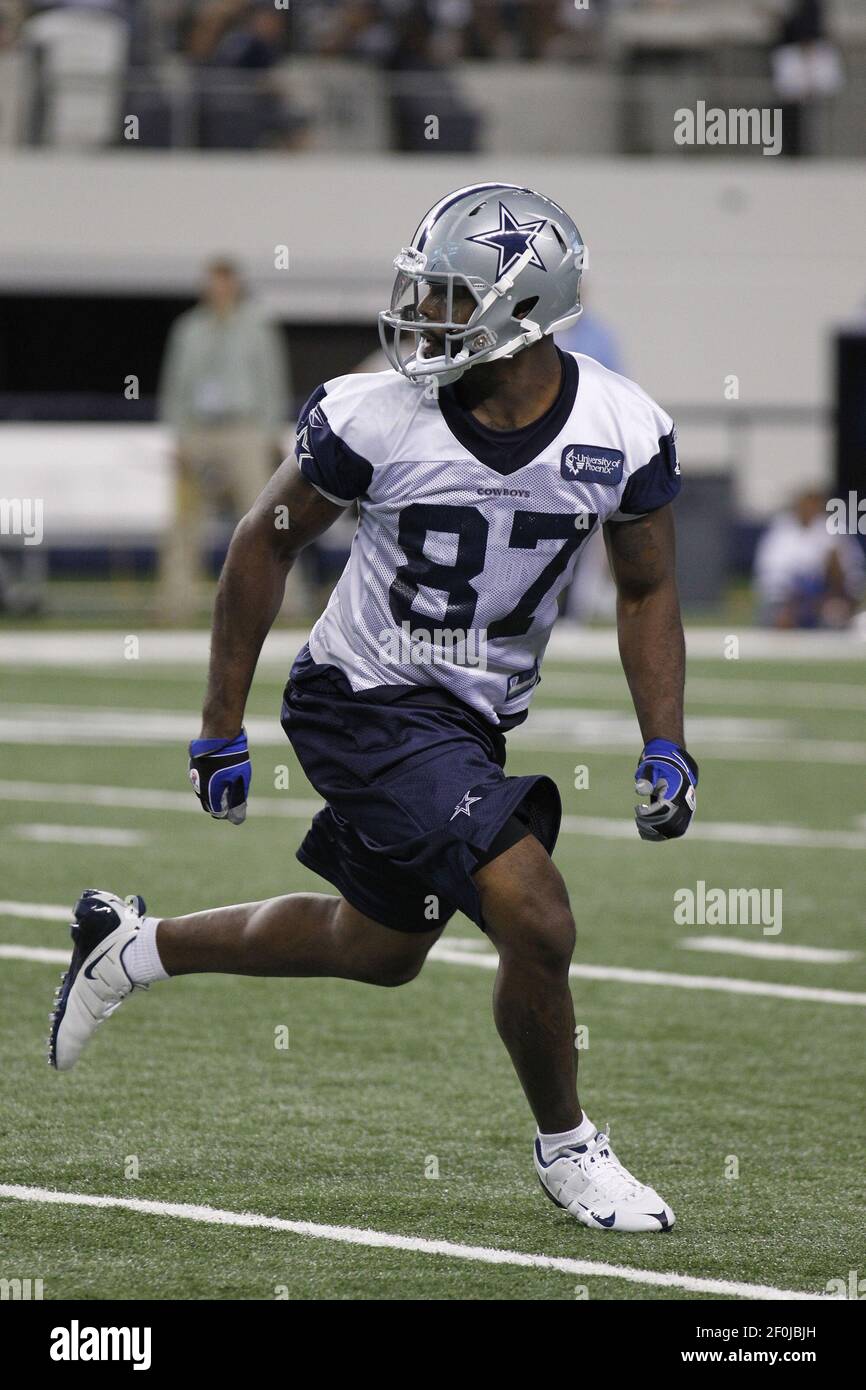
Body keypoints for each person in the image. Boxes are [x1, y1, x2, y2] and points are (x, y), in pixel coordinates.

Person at [48, 183, 697, 1235]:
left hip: (466, 722)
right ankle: (569, 1147)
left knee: (378, 950)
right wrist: (220, 724)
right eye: (423, 286)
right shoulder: (371, 412)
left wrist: (664, 741)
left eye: (448, 295)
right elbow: (263, 541)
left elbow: (644, 586)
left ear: (524, 310)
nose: (421, 311)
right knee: (534, 909)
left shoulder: (621, 429)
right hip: (362, 700)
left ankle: (132, 946)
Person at [156, 257, 290, 624]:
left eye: (224, 282)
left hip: (243, 430)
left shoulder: (257, 325)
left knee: (266, 519)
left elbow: (271, 379)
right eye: (212, 283)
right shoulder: (189, 328)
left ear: (235, 285)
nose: (218, 290)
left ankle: (284, 603)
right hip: (199, 430)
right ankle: (175, 605)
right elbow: (175, 384)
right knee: (185, 522)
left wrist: (269, 432)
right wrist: (179, 435)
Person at [753, 488, 864, 628]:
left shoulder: (834, 530)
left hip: (825, 598)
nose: (810, 509)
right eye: (806, 504)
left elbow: (852, 575)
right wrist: (792, 602)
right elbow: (772, 577)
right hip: (786, 600)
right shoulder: (781, 532)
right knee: (779, 617)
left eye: (815, 504)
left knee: (835, 614)